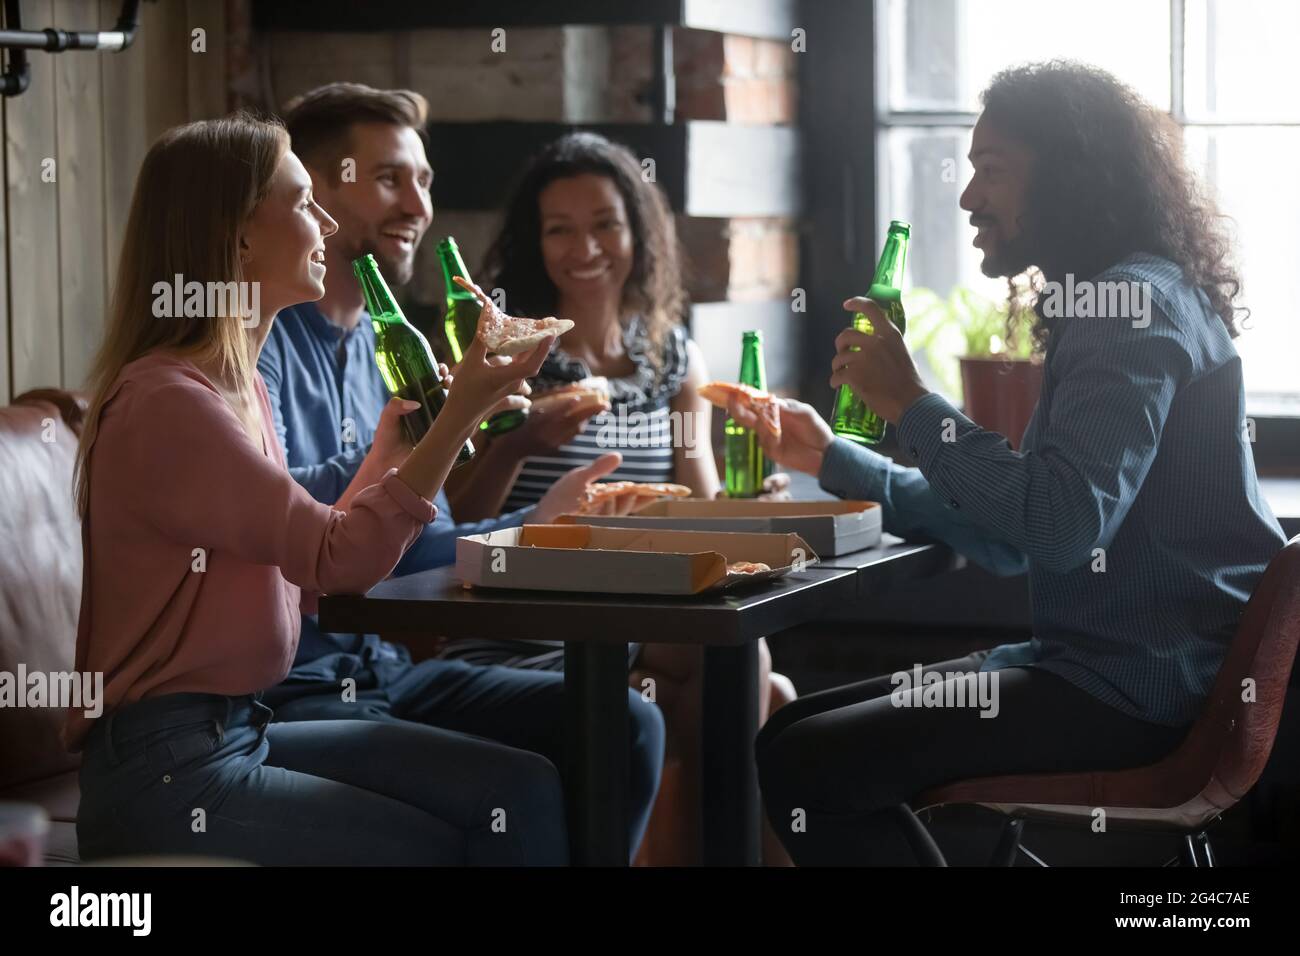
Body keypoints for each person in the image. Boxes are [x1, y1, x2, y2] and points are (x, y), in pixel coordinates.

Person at [745, 61, 1287, 865]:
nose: (968, 198)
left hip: (1138, 692)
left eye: (991, 171)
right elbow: (1010, 532)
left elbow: (1059, 525)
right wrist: (840, 459)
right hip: (1124, 672)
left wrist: (914, 405)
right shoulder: (1125, 298)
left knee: (803, 758)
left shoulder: (1126, 310)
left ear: (1068, 176)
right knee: (787, 730)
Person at [67, 113, 573, 865]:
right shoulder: (168, 403)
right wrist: (458, 412)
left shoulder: (233, 393)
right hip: (168, 773)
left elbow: (305, 559)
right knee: (441, 845)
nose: (328, 221)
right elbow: (338, 559)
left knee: (518, 789)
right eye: (304, 201)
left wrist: (391, 453)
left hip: (242, 732)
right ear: (238, 238)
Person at [257, 83, 665, 861]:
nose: (418, 204)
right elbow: (293, 524)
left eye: (424, 181)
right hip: (297, 688)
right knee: (518, 787)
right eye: (388, 180)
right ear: (312, 193)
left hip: (383, 668)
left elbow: (422, 540)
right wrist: (451, 423)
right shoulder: (263, 343)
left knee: (628, 721)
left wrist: (537, 526)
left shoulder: (389, 351)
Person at [437, 131, 797, 864]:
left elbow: (699, 505)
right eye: (559, 229)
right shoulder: (508, 355)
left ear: (637, 230)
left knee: (768, 690)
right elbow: (456, 523)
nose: (586, 247)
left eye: (605, 223)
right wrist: (517, 443)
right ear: (534, 244)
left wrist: (753, 498)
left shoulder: (672, 356)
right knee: (746, 680)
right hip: (524, 625)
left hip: (632, 613)